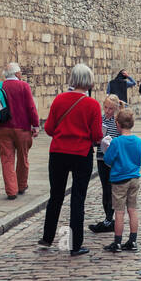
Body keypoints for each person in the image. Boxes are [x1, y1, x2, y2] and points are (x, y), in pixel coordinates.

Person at [38, 64, 102, 257]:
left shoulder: (59, 99)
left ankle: (47, 238)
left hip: (58, 153)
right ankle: (75, 245)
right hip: (81, 154)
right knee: (77, 199)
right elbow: (97, 135)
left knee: (55, 196)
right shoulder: (92, 104)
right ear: (88, 81)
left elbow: (49, 129)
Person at [0, 62, 39, 200]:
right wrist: (36, 125)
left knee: (7, 159)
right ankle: (21, 185)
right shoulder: (23, 86)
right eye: (20, 72)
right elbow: (31, 107)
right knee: (23, 157)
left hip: (3, 128)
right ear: (17, 73)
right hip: (22, 128)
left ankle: (11, 191)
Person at [102, 107, 141, 252]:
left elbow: (108, 160)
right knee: (132, 209)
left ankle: (117, 242)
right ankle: (132, 241)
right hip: (134, 178)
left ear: (118, 125)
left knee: (119, 212)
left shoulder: (117, 142)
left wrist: (106, 148)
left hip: (120, 179)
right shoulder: (138, 141)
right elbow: (138, 159)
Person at [89, 94, 122, 234]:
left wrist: (112, 143)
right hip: (101, 158)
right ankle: (108, 219)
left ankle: (109, 220)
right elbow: (94, 138)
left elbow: (122, 140)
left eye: (110, 109)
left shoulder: (118, 121)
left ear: (115, 109)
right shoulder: (100, 119)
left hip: (113, 161)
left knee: (112, 189)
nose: (107, 111)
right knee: (105, 189)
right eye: (106, 108)